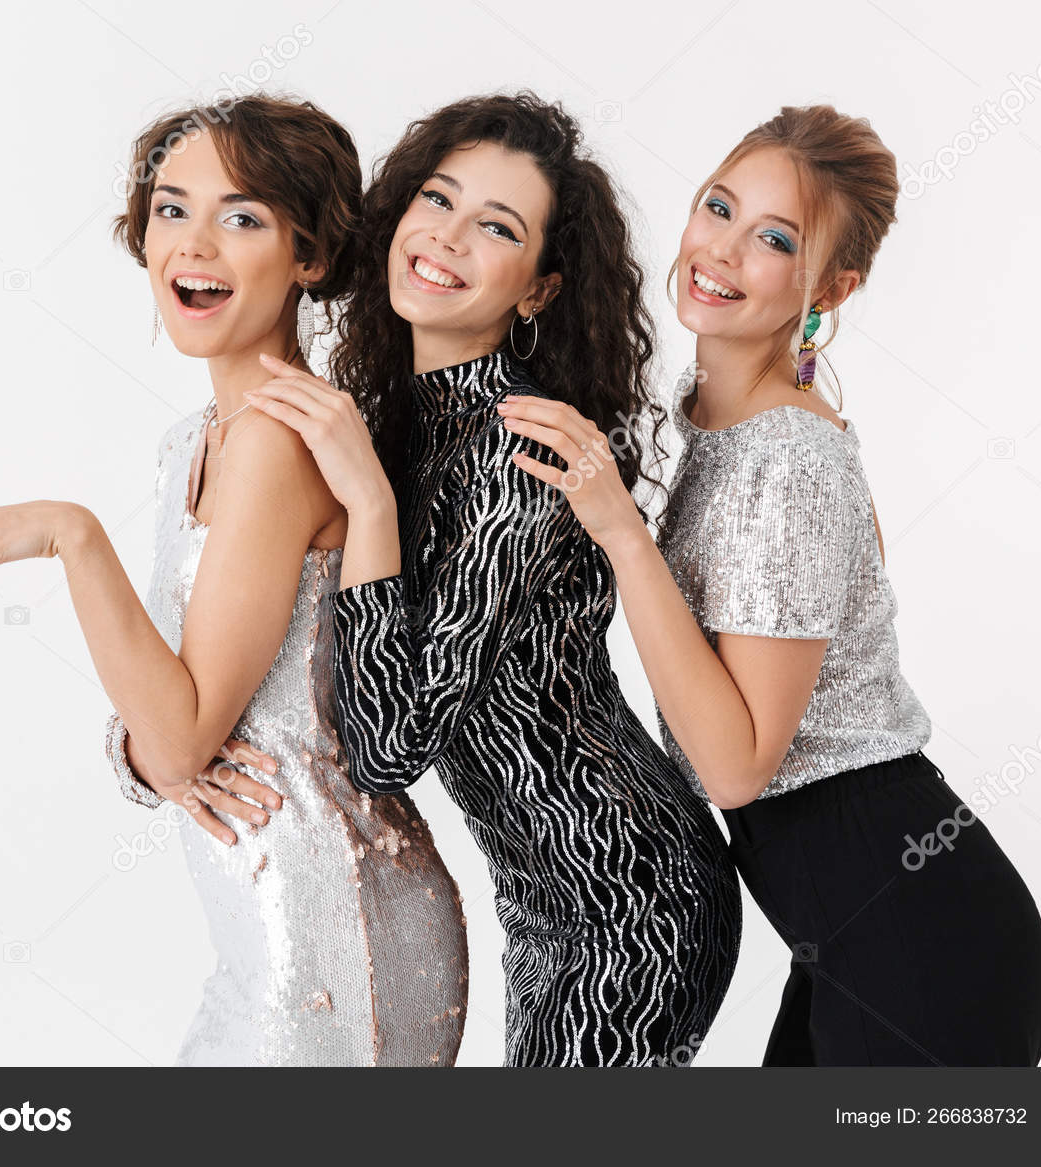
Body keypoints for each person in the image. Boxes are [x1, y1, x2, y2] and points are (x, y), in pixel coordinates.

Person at [0, 95, 468, 1066]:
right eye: (172, 209)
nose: (194, 244)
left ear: (309, 258)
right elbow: (172, 730)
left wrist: (70, 536)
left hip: (328, 933)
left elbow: (183, 734)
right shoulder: (194, 441)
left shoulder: (278, 437)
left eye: (242, 218)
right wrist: (146, 756)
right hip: (261, 927)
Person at [499, 104, 1041, 1066]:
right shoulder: (714, 420)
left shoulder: (792, 458)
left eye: (774, 240)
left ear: (829, 285)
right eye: (718, 207)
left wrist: (622, 533)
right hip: (844, 936)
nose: (721, 250)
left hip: (918, 936)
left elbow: (736, 766)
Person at [244, 92, 742, 1067]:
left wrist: (372, 508)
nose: (447, 237)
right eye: (437, 200)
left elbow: (389, 746)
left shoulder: (522, 448)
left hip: (629, 904)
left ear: (539, 289)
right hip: (545, 906)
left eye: (497, 227)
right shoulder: (407, 423)